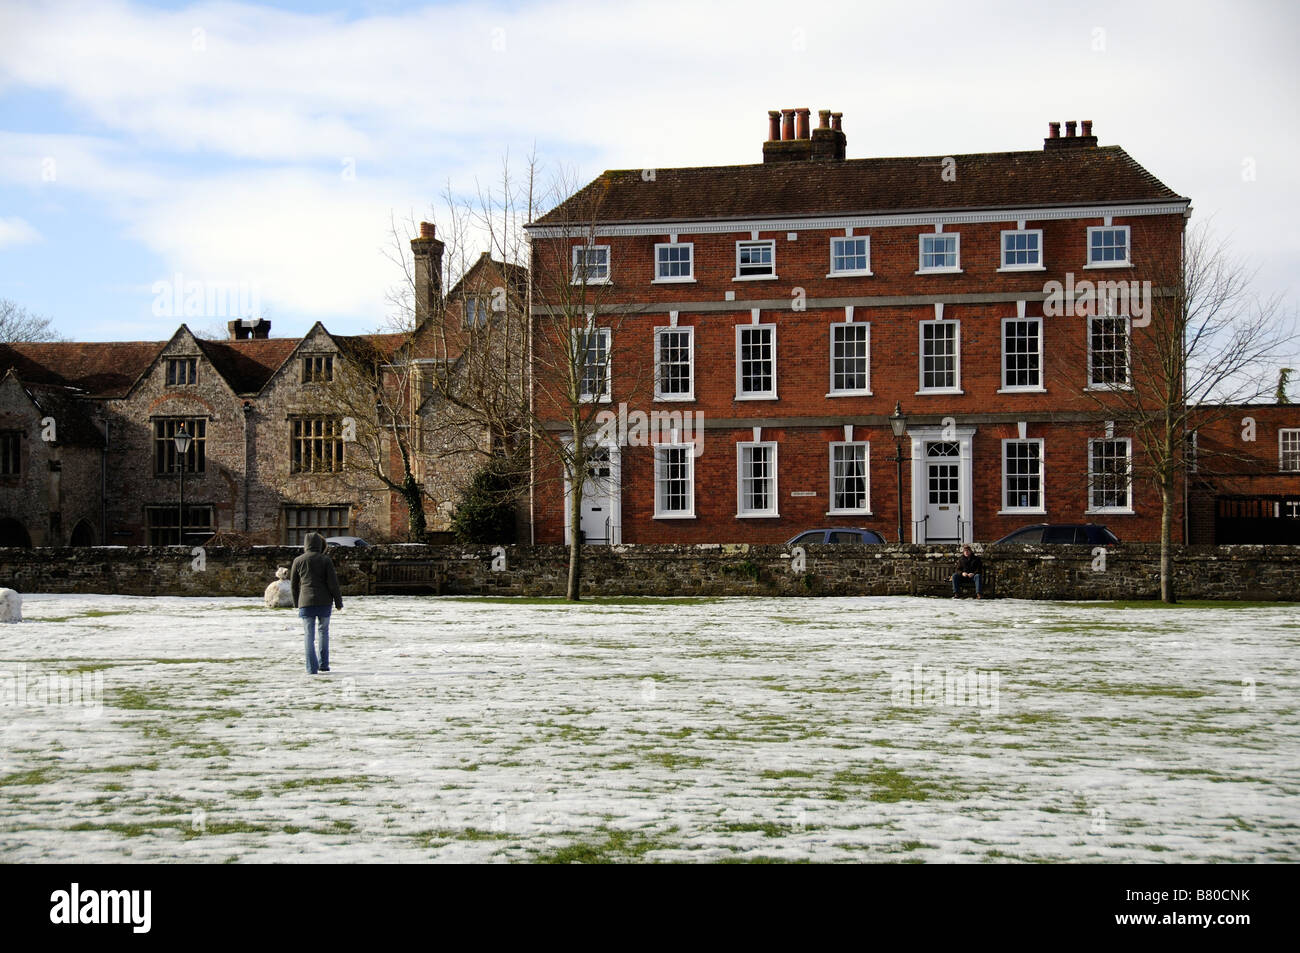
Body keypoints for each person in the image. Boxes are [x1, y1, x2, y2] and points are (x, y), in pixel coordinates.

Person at [290, 532, 344, 674]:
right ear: (320, 544)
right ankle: (324, 664)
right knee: (323, 632)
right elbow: (333, 584)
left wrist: (297, 603)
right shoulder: (325, 560)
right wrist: (338, 602)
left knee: (308, 634)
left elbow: (294, 585)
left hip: (305, 601)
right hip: (324, 601)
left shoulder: (298, 560)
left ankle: (311, 668)